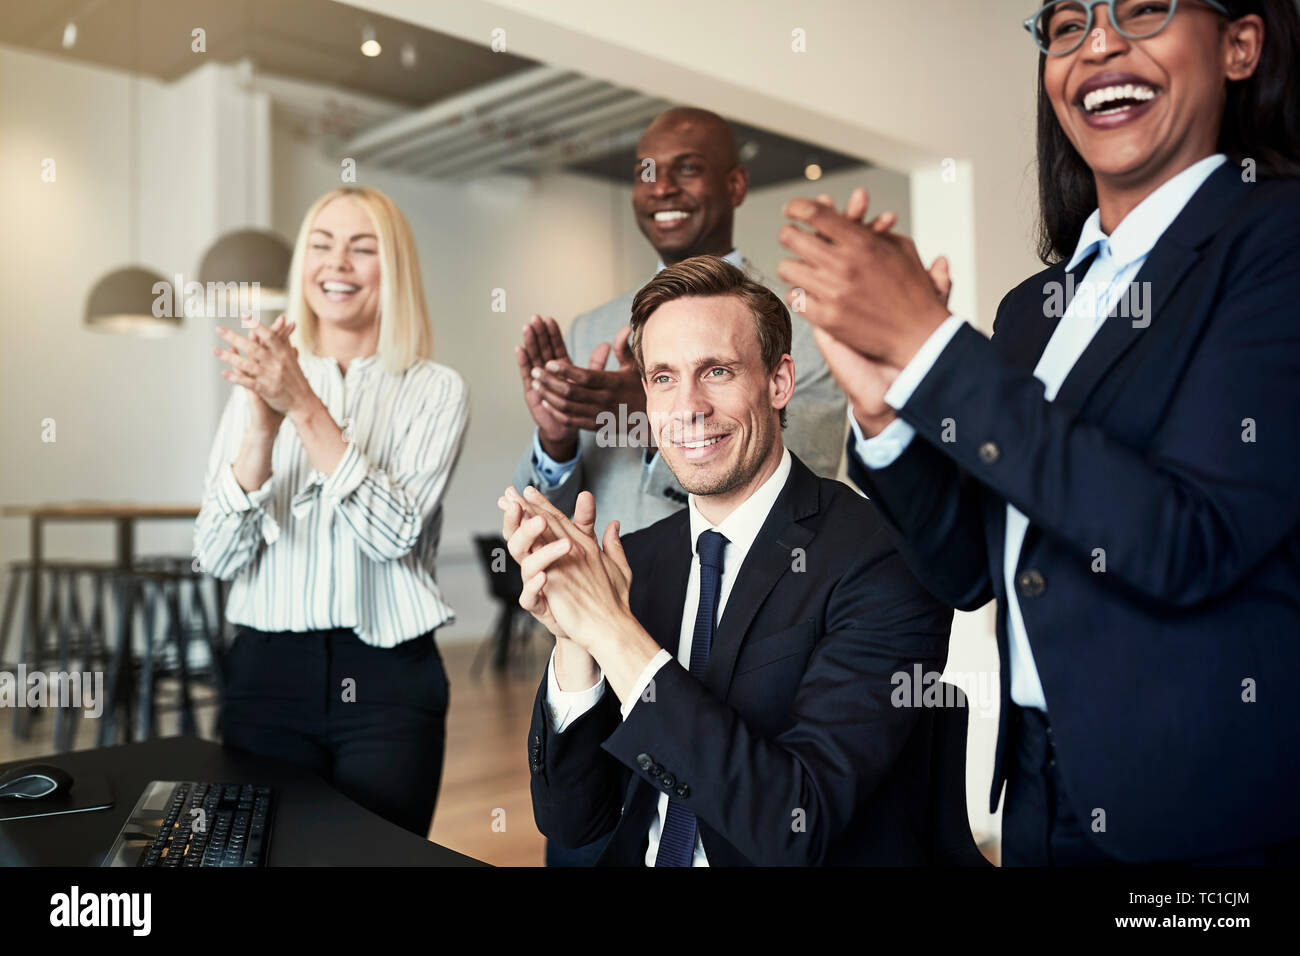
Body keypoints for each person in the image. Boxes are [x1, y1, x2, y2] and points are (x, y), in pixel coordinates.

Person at [778, 0, 1300, 864]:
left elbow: (1188, 540)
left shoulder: (1276, 239)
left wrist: (931, 346)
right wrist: (883, 405)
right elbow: (971, 574)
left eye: (1143, 10)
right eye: (1065, 26)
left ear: (1240, 46)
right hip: (1039, 793)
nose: (1098, 44)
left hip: (1207, 819)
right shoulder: (1032, 311)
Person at [501, 256, 975, 865]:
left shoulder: (883, 555)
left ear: (779, 381)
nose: (689, 406)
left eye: (717, 371)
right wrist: (574, 639)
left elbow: (795, 828)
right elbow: (572, 820)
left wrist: (612, 630)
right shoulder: (634, 561)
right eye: (664, 378)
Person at [194, 186, 469, 838]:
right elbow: (216, 556)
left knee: (374, 862)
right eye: (321, 245)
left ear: (392, 268)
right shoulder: (256, 388)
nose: (336, 263)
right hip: (265, 672)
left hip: (387, 681)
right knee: (256, 855)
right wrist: (261, 429)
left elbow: (393, 535)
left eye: (362, 247)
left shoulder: (435, 390)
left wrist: (303, 407)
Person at [513, 107, 847, 539]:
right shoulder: (588, 330)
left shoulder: (805, 332)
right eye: (646, 172)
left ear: (735, 185)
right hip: (597, 596)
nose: (663, 187)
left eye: (687, 168)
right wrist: (556, 441)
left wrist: (650, 417)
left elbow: (804, 491)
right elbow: (536, 520)